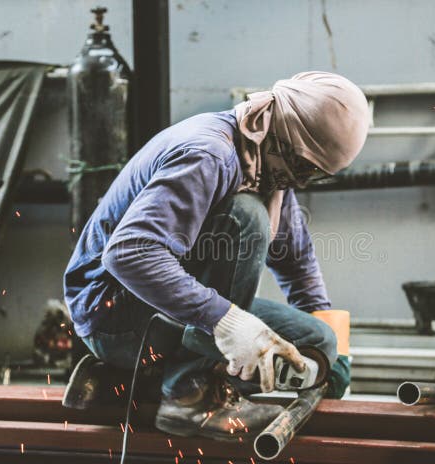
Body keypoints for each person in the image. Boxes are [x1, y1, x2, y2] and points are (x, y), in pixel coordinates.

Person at [63, 71, 370, 440]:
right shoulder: (210, 153)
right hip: (113, 312)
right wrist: (228, 322)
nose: (302, 182)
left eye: (315, 176)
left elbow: (299, 268)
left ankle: (129, 381)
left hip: (166, 314)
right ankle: (187, 394)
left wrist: (338, 359)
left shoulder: (271, 168)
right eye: (305, 168)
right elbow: (129, 253)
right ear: (288, 135)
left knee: (318, 342)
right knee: (246, 218)